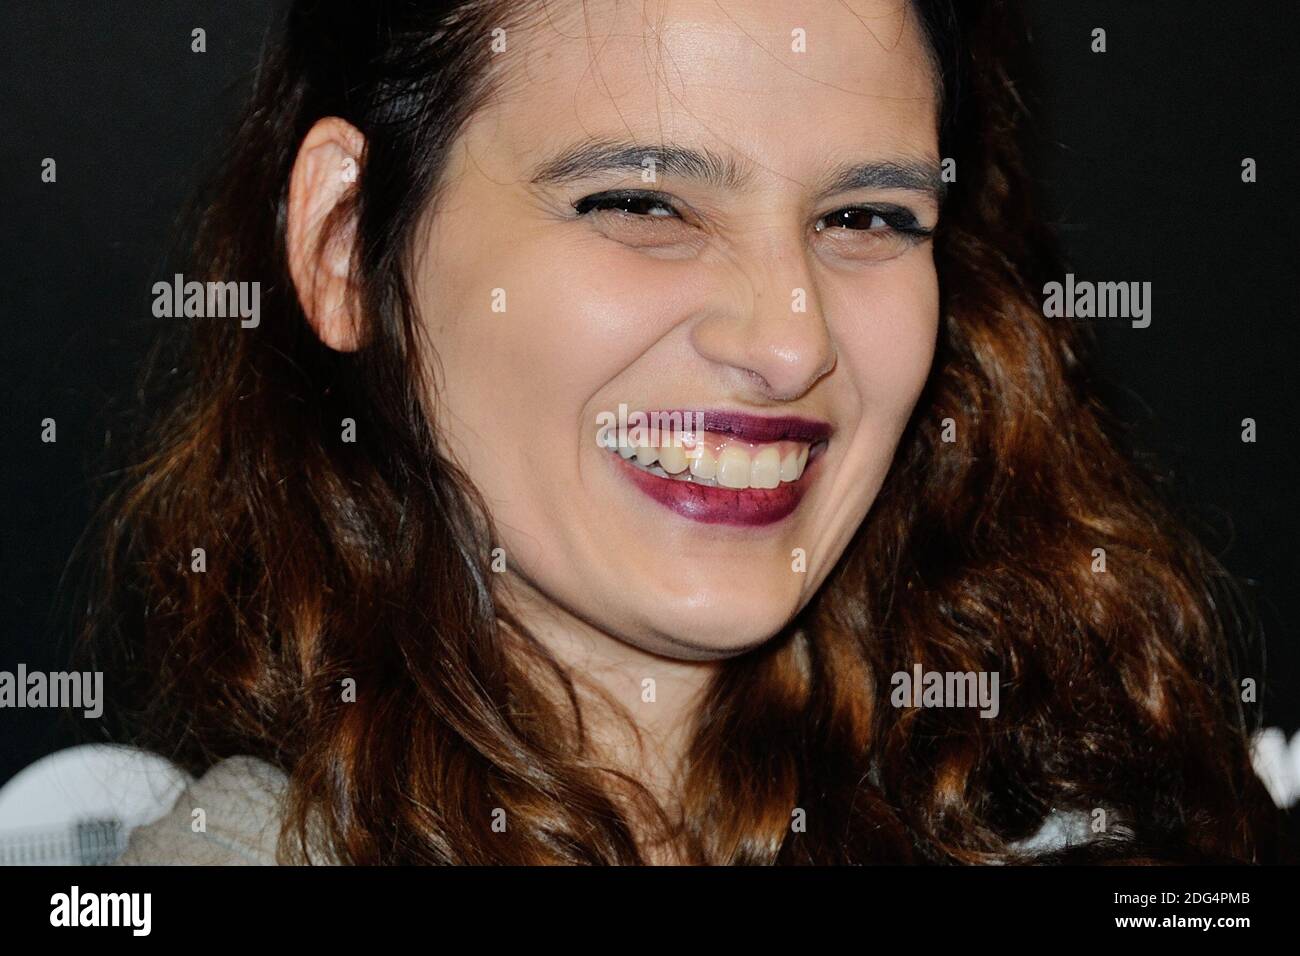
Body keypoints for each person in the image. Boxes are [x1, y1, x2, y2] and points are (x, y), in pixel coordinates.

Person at [86, 0, 1281, 864]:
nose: (789, 338)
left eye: (866, 214)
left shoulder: (1093, 817)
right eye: (642, 203)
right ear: (346, 243)